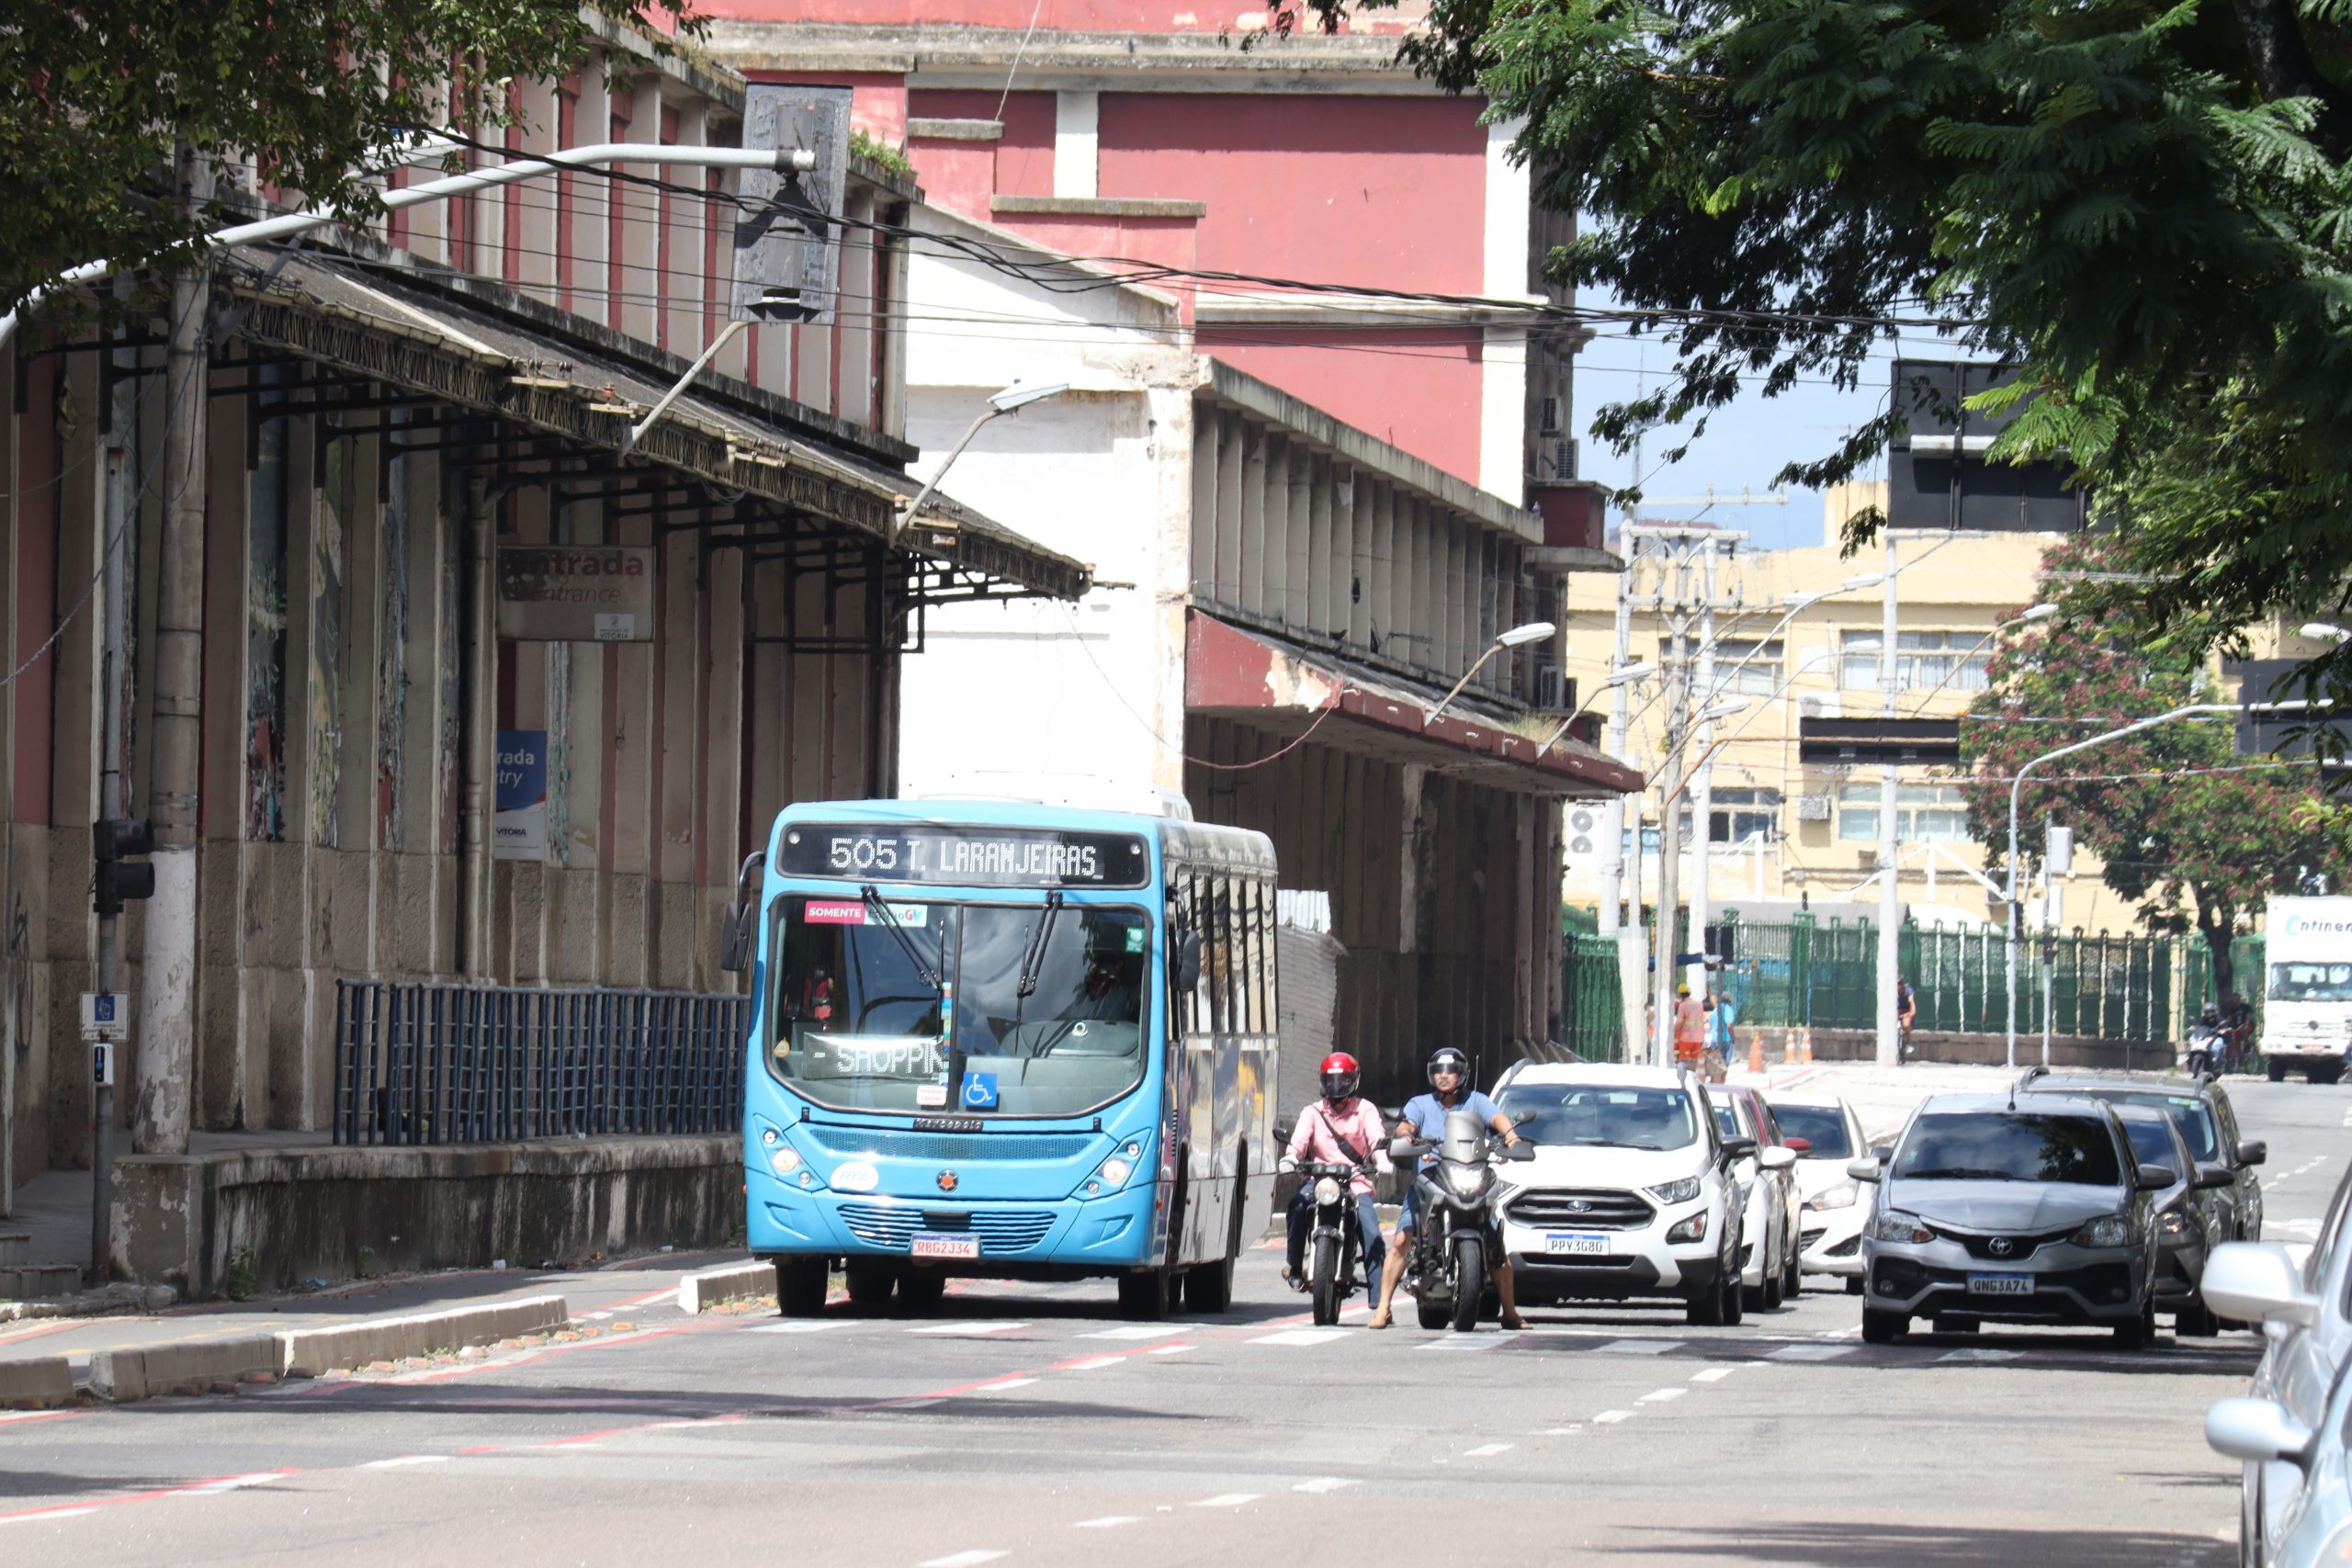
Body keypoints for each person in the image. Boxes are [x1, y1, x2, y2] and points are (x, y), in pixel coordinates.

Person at [1369, 1046, 1524, 1330]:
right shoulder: (1420, 1103)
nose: (1443, 1076)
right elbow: (1406, 1126)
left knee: (1496, 1247)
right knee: (1402, 1240)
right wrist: (1409, 1138)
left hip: (1470, 1177)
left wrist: (1510, 1137)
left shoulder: (1477, 1101)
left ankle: (1511, 1313)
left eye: (1450, 1071)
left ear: (1461, 1075)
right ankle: (1383, 1308)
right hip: (1430, 1181)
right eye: (1438, 1071)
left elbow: (1497, 1118)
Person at [1281, 1052, 1387, 1308]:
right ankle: (1295, 1267)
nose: (1336, 1086)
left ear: (1354, 1081)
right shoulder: (1313, 1112)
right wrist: (1291, 1158)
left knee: (1370, 1227)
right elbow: (1299, 1141)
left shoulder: (1365, 1110)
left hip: (1355, 1182)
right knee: (1296, 1207)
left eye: (1343, 1080)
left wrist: (1381, 1160)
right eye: (1331, 1080)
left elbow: (1376, 1139)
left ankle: (1378, 1296)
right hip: (1318, 1183)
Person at [1672, 983, 1707, 1068]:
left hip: (1686, 1039)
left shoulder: (1683, 1005)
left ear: (1680, 994)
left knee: (1684, 1062)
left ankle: (1686, 1079)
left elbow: (1679, 1022)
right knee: (1696, 1062)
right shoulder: (1699, 1004)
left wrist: (1673, 1033)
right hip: (1698, 1039)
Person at [1895, 976, 1918, 1062]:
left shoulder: (1908, 990)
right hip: (1896, 1011)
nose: (1899, 985)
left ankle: (1908, 1044)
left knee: (1906, 1025)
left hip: (1906, 1011)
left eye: (1900, 983)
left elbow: (1911, 1001)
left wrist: (1913, 1011)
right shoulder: (1892, 990)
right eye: (1897, 984)